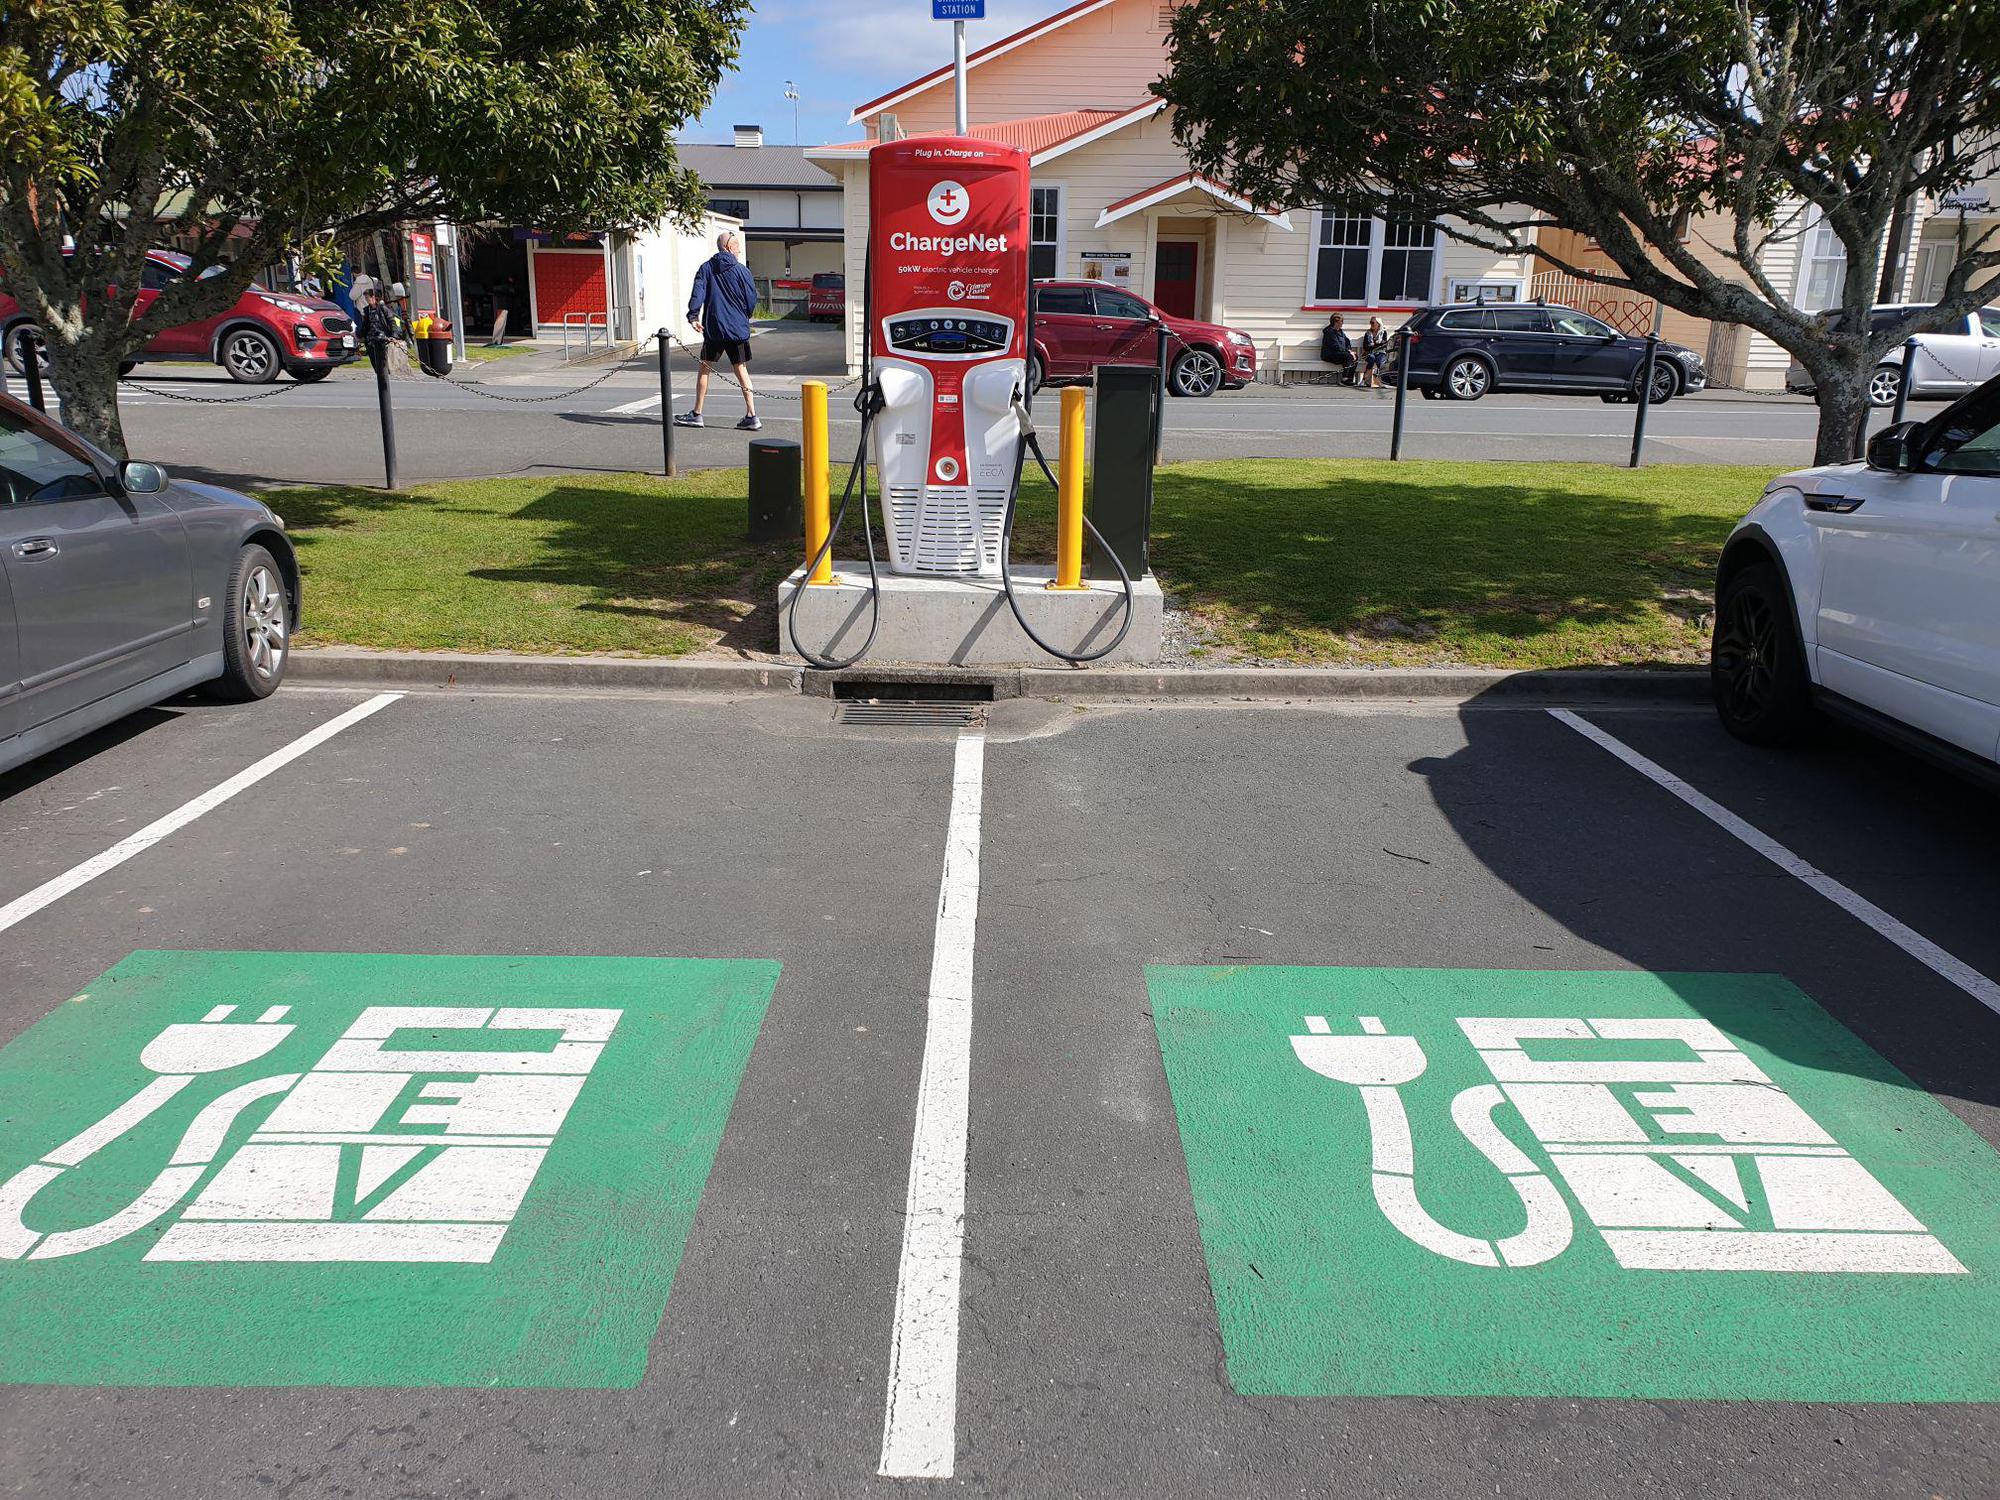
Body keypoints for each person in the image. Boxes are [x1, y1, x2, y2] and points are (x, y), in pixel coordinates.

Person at [675, 230, 761, 431]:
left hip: (714, 328)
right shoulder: (742, 271)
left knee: (705, 368)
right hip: (737, 329)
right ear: (729, 247)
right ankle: (752, 415)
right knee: (741, 369)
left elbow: (698, 293)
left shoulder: (706, 268)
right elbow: (751, 299)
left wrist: (693, 316)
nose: (739, 249)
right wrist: (744, 316)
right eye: (737, 245)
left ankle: (697, 413)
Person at [358, 286, 400, 375]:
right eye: (365, 298)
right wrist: (359, 336)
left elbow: (391, 322)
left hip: (382, 338)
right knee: (374, 361)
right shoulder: (367, 310)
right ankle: (380, 375)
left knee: (383, 361)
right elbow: (365, 325)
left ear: (373, 297)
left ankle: (384, 375)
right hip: (371, 339)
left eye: (367, 298)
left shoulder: (382, 308)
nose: (366, 300)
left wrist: (394, 336)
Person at [1319, 313, 1356, 386]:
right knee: (1348, 356)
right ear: (1336, 322)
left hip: (1339, 354)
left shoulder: (1341, 331)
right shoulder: (1329, 332)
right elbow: (1335, 346)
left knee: (1354, 356)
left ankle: (1349, 378)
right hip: (1330, 354)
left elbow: (1347, 342)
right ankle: (1344, 379)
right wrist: (1348, 352)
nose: (1342, 323)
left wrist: (1350, 351)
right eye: (1341, 321)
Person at [1361, 316, 1392, 390]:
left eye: (1373, 323)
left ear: (1378, 324)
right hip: (1369, 353)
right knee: (1371, 358)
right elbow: (1365, 347)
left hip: (1381, 352)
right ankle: (1364, 380)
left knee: (1380, 361)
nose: (1371, 324)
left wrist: (1373, 345)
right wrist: (1377, 345)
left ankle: (1381, 382)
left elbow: (1384, 345)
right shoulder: (1367, 333)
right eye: (1370, 323)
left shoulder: (1383, 332)